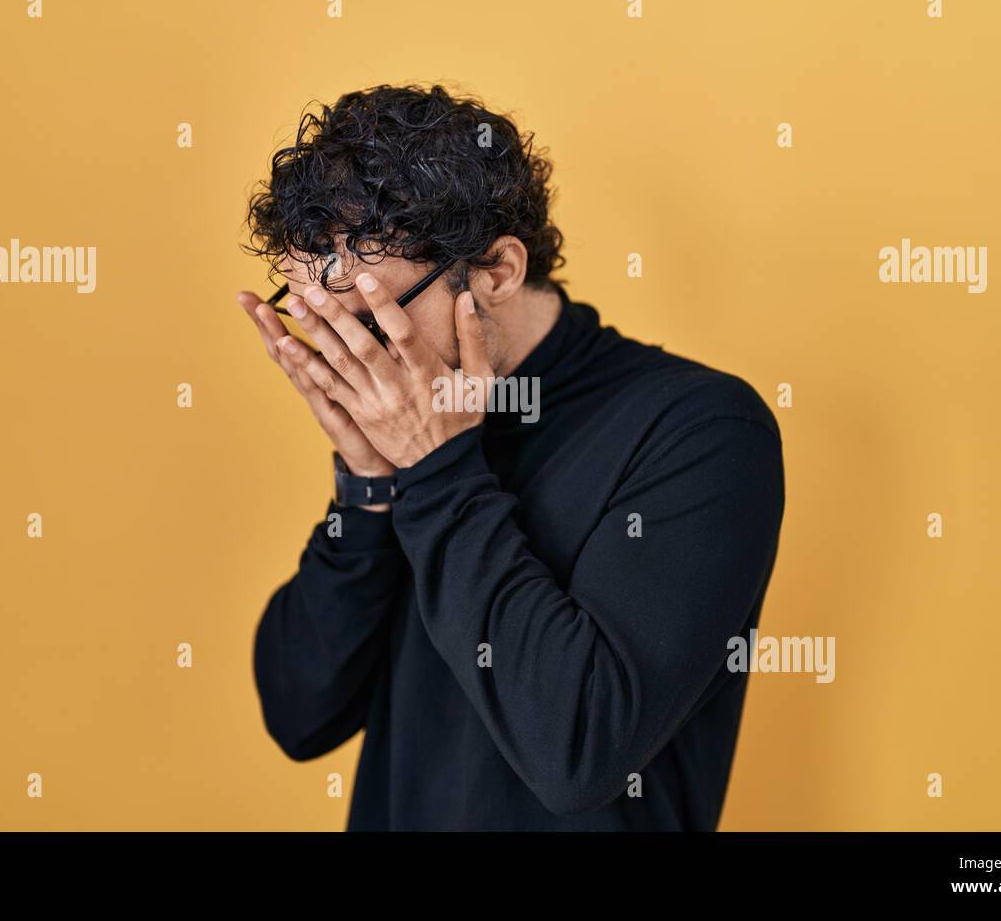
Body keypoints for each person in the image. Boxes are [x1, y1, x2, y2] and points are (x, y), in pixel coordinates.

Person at [236, 83, 785, 830]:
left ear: (496, 271)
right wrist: (368, 489)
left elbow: (578, 753)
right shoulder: (413, 429)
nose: (347, 354)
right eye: (315, 319)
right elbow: (299, 714)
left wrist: (438, 472)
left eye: (366, 315)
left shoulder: (700, 428)